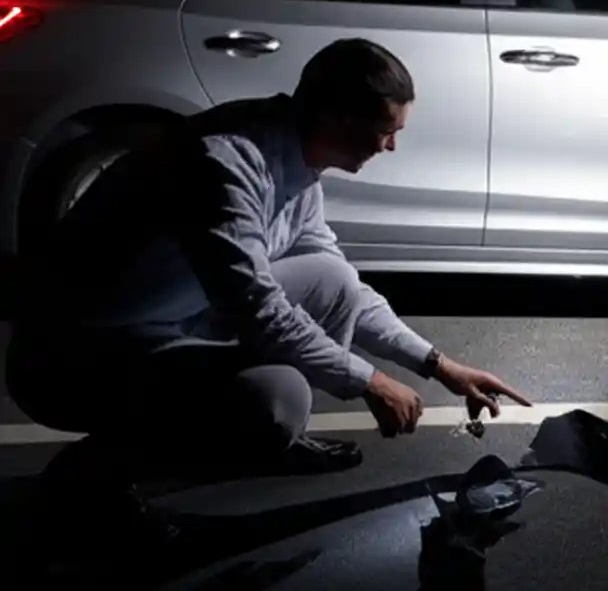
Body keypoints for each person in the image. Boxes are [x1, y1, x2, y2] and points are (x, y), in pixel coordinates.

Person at [6, 38, 531, 546]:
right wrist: (371, 382)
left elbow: (341, 286)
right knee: (276, 403)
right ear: (338, 118)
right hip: (73, 358)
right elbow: (260, 312)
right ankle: (93, 478)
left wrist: (440, 365)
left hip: (171, 322)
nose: (391, 146)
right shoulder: (224, 165)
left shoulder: (298, 160)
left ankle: (247, 436)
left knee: (334, 281)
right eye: (386, 130)